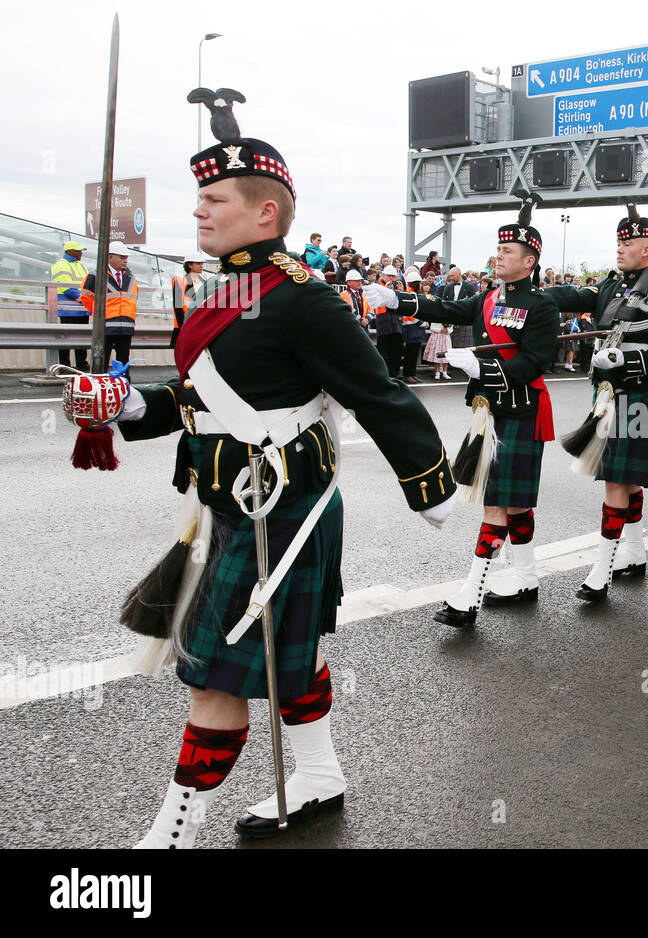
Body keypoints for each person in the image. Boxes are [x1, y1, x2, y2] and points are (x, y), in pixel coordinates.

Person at [98, 112, 456, 848]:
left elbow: (376, 389)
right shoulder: (222, 292)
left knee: (213, 676)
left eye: (215, 199)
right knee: (292, 658)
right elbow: (201, 402)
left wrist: (428, 480)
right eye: (198, 199)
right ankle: (320, 776)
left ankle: (171, 836)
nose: (198, 209)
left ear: (266, 212)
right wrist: (130, 404)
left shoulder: (303, 296)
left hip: (282, 508)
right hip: (227, 505)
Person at [366, 195, 558, 621]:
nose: (499, 256)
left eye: (508, 251)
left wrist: (481, 367)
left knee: (499, 502)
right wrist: (401, 300)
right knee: (513, 503)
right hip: (491, 410)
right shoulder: (490, 297)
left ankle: (471, 593)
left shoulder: (541, 305)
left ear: (529, 262)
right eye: (499, 249)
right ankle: (526, 578)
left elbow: (534, 362)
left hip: (522, 409)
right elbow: (448, 308)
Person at [543, 205, 648, 602]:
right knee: (624, 477)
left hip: (640, 393)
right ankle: (634, 551)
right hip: (607, 395)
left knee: (616, 479)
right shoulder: (609, 287)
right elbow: (572, 295)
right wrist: (535, 291)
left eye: (629, 242)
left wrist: (629, 359)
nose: (620, 248)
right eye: (619, 241)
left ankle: (603, 565)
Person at [79, 241, 138, 380]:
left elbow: (133, 298)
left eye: (126, 257)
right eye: (122, 257)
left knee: (123, 360)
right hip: (105, 325)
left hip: (126, 326)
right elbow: (86, 297)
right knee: (102, 360)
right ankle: (100, 387)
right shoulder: (96, 275)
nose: (125, 260)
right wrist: (99, 314)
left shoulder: (130, 277)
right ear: (110, 257)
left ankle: (123, 387)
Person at [50, 240, 90, 370]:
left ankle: (82, 364)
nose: (81, 253)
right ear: (69, 251)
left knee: (82, 338)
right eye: (78, 251)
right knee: (66, 338)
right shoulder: (60, 265)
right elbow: (66, 287)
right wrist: (84, 299)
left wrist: (86, 300)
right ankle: (64, 365)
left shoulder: (82, 266)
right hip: (68, 309)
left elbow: (88, 285)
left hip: (82, 309)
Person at [370, 265, 404, 378]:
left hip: (396, 319)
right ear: (384, 275)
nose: (392, 278)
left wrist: (401, 291)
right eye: (389, 276)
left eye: (393, 276)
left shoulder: (397, 287)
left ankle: (394, 373)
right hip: (383, 319)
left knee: (396, 349)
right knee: (383, 349)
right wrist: (387, 288)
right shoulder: (377, 286)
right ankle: (384, 374)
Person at [170, 255, 209, 349]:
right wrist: (182, 326)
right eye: (198, 263)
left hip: (200, 323)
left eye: (202, 263)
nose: (201, 265)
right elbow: (177, 305)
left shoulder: (205, 282)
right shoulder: (180, 280)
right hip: (185, 323)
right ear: (190, 265)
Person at [399, 267, 428, 384]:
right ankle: (408, 374)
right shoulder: (410, 294)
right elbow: (410, 313)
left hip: (414, 328)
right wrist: (421, 322)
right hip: (411, 328)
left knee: (414, 353)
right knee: (410, 353)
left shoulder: (414, 293)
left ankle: (412, 374)